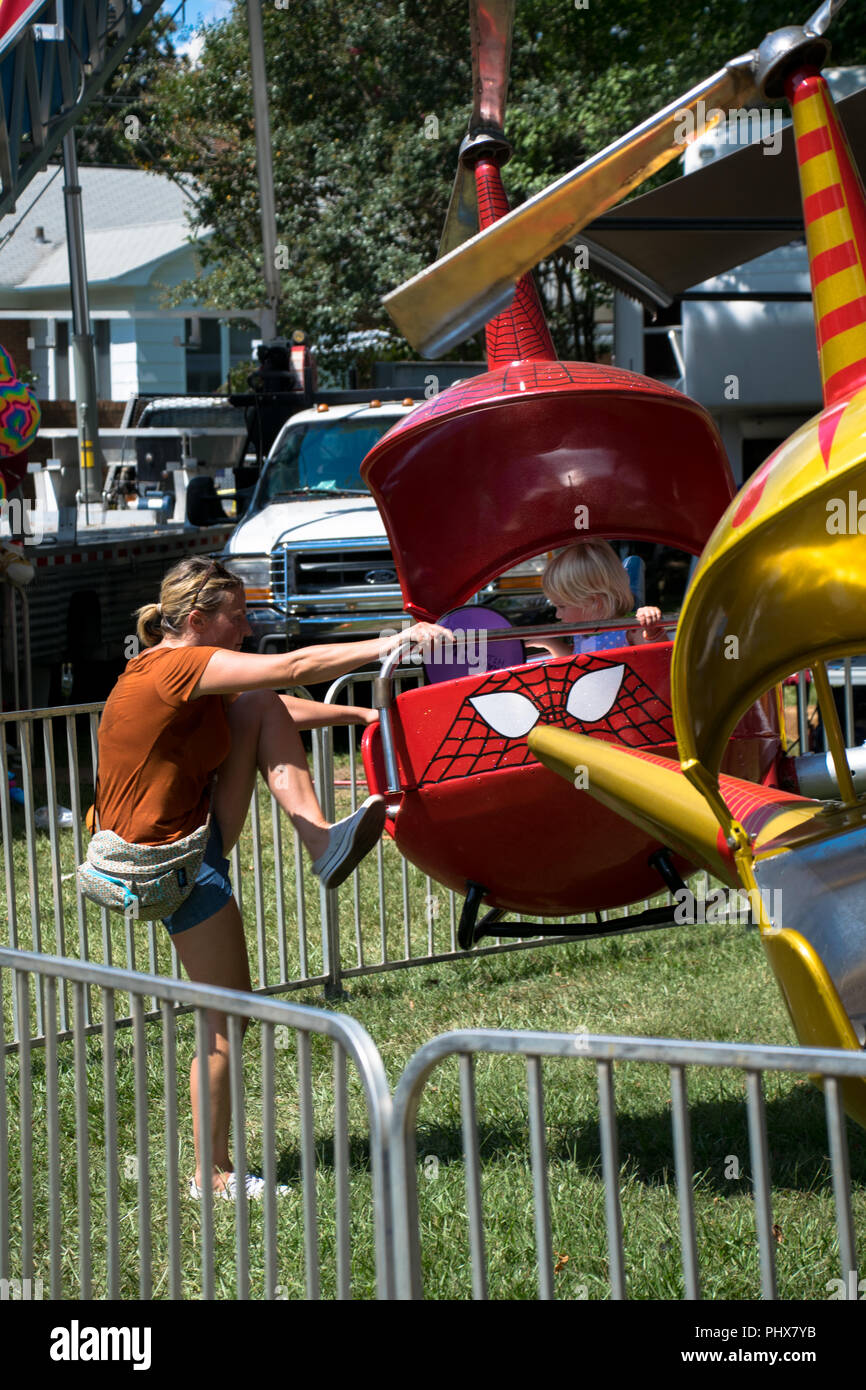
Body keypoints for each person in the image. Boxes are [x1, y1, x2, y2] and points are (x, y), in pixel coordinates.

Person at [94, 555, 450, 1201]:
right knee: (226, 1016)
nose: (250, 625)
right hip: (168, 864)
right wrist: (392, 640)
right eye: (239, 615)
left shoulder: (177, 670)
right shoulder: (176, 666)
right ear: (198, 619)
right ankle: (213, 1174)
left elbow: (273, 702)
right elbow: (290, 666)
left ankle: (320, 841)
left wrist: (355, 718)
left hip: (192, 843)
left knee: (256, 704)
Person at [531, 539, 669, 659]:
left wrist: (652, 631)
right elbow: (575, 661)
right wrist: (548, 642)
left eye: (561, 606)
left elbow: (660, 656)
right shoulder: (583, 633)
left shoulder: (629, 629)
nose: (558, 615)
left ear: (594, 602)